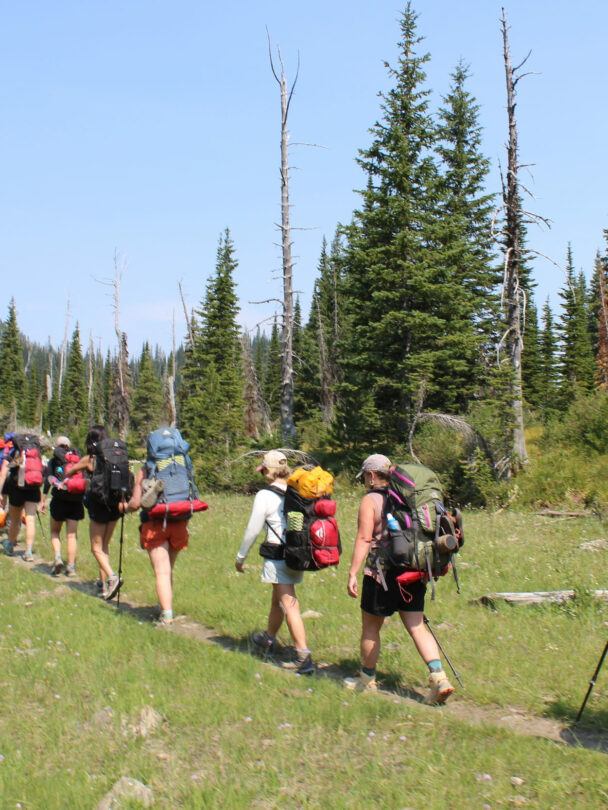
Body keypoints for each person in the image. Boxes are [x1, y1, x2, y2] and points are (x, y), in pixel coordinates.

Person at [345, 453, 454, 704]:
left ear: (372, 476)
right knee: (416, 626)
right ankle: (439, 678)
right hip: (413, 569)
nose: (365, 482)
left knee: (371, 628)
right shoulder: (409, 498)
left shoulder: (370, 500)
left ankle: (367, 680)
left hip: (381, 573)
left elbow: (363, 538)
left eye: (365, 478)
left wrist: (352, 572)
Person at [235, 450, 314, 674]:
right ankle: (268, 639)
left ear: (267, 471)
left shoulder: (265, 496)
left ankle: (303, 656)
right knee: (278, 600)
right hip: (298, 553)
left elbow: (253, 530)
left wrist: (241, 557)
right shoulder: (297, 490)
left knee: (289, 604)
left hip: (277, 555)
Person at [66, 426, 133, 600]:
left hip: (98, 505)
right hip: (115, 503)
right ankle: (103, 585)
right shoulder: (115, 457)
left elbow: (69, 472)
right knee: (105, 545)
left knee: (96, 548)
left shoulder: (90, 459)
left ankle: (111, 578)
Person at [131, 463, 186, 625]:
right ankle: (163, 605)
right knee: (168, 570)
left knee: (162, 571)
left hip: (154, 524)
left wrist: (124, 508)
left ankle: (167, 615)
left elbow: (136, 503)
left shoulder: (146, 468)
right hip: (179, 521)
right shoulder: (182, 463)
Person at [42, 436, 84, 576]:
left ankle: (58, 558)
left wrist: (42, 500)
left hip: (59, 500)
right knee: (71, 536)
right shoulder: (78, 459)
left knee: (55, 532)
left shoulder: (54, 460)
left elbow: (48, 480)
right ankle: (71, 567)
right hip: (76, 500)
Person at [0, 434, 45, 561]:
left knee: (15, 519)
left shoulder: (14, 452)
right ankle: (29, 551)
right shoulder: (36, 453)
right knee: (30, 519)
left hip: (17, 489)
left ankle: (10, 544)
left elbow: (3, 473)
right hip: (33, 489)